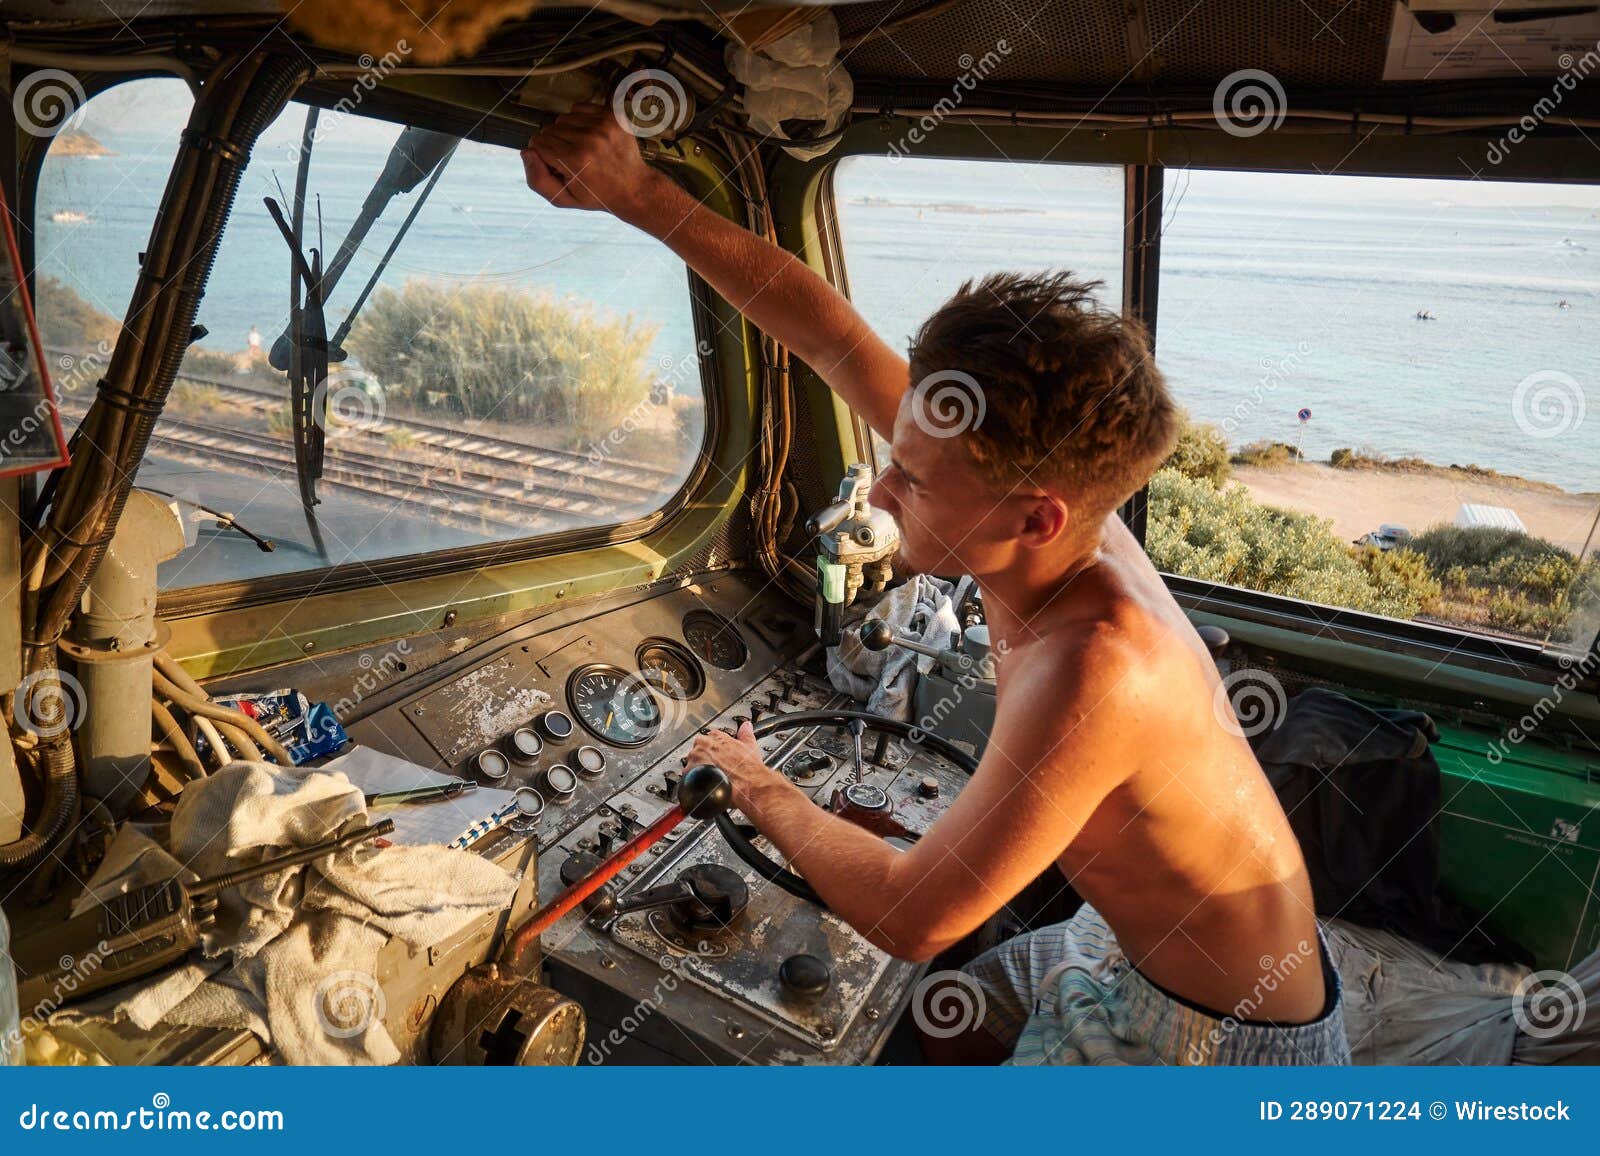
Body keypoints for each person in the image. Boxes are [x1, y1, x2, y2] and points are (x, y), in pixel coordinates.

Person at [522, 103, 1348, 1066]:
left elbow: (914, 919)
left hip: (1210, 1039)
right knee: (931, 1019)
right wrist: (639, 195)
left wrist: (762, 789)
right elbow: (824, 332)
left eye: (912, 480)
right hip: (1120, 950)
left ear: (1033, 517)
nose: (881, 488)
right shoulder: (1048, 511)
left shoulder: (1101, 668)